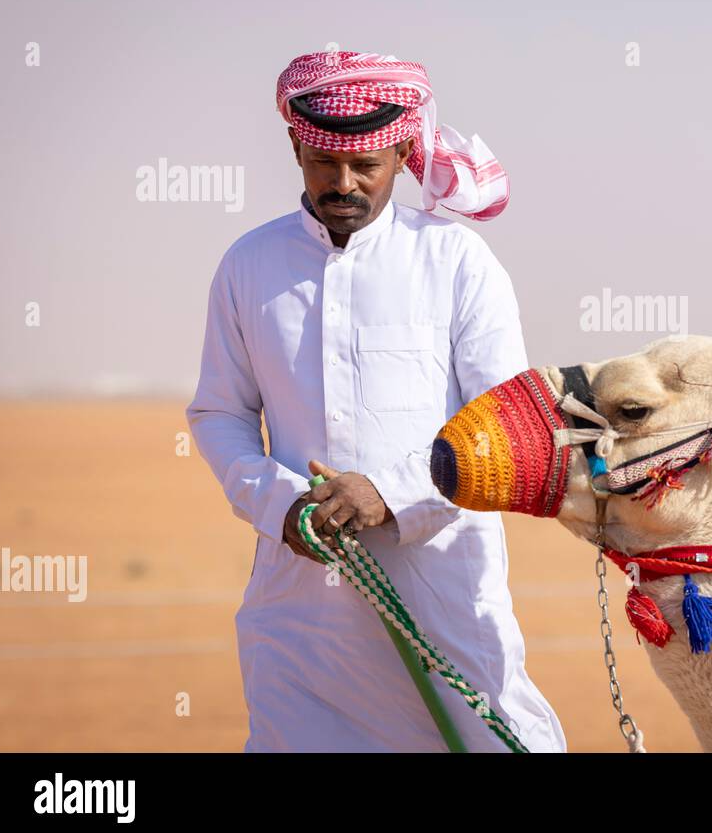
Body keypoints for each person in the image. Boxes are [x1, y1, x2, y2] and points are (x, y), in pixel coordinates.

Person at [184, 50, 565, 752]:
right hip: (301, 623)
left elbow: (507, 426)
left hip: (443, 605)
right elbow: (219, 413)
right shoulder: (248, 265)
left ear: (402, 153)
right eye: (325, 163)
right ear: (296, 147)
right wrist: (279, 504)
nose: (345, 183)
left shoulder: (457, 262)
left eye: (367, 165)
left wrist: (389, 492)